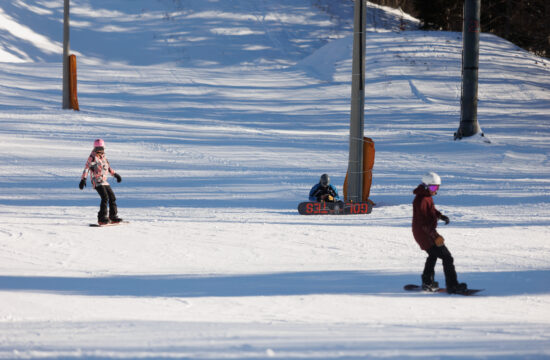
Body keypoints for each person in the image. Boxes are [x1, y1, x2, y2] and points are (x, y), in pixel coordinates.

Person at [412, 172, 467, 294]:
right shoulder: (421, 200)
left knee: (433, 255)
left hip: (425, 233)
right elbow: (423, 223)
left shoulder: (425, 196)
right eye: (433, 187)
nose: (435, 190)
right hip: (425, 234)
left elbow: (431, 210)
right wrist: (435, 236)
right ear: (426, 186)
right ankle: (452, 285)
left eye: (437, 187)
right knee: (447, 257)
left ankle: (427, 282)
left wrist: (440, 216)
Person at [79, 139, 123, 225]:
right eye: (98, 148)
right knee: (105, 197)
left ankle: (112, 216)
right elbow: (87, 168)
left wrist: (115, 175)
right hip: (96, 180)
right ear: (95, 148)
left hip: (104, 181)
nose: (100, 150)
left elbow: (108, 167)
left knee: (112, 197)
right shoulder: (92, 157)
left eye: (101, 148)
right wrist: (83, 179)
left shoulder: (103, 157)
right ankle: (102, 218)